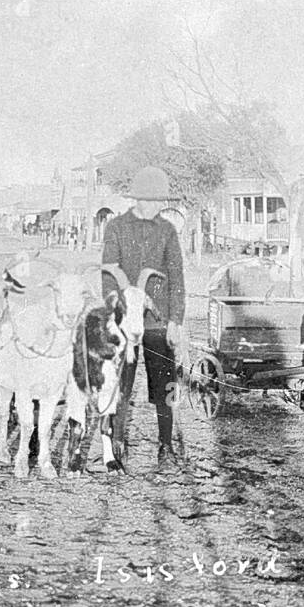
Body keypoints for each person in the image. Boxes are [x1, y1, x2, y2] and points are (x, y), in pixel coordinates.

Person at [101, 166, 187, 463]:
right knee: (121, 384)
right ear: (136, 199)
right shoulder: (115, 228)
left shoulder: (167, 230)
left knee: (165, 384)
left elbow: (177, 277)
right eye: (149, 200)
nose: (155, 206)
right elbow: (108, 275)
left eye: (159, 201)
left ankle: (165, 444)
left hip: (157, 324)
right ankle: (117, 443)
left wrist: (175, 321)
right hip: (125, 323)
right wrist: (116, 309)